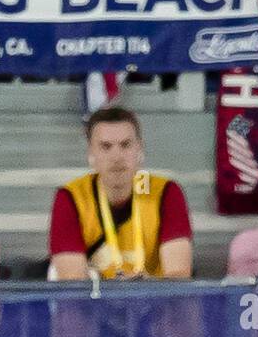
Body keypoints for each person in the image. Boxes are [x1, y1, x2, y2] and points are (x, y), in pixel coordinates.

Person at [49, 106, 193, 280]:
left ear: (140, 149)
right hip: (94, 303)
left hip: (155, 301)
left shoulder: (166, 192)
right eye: (106, 146)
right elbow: (72, 283)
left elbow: (179, 276)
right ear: (91, 153)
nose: (116, 156)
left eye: (125, 145)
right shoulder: (71, 197)